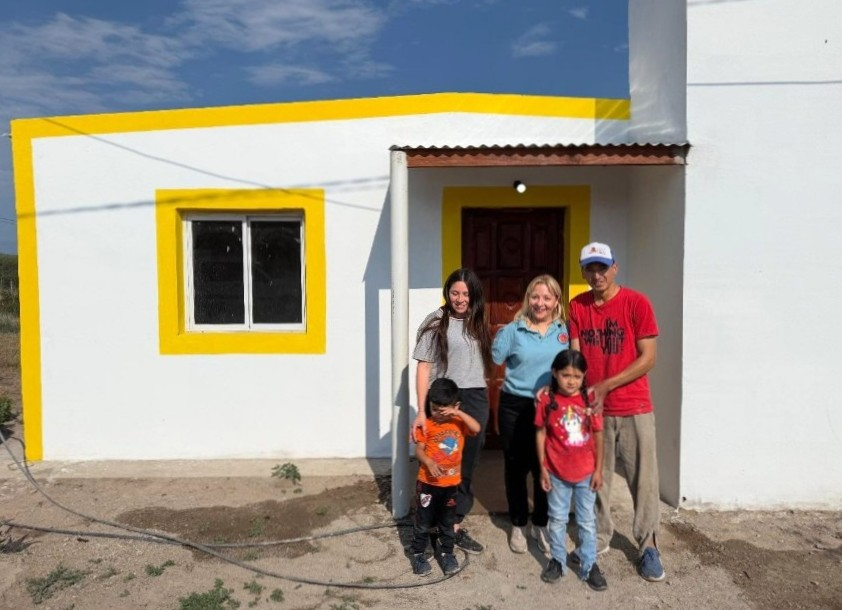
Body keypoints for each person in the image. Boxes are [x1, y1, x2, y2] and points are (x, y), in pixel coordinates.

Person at [567, 241, 665, 582]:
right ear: (583, 272)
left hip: (634, 406)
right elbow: (575, 357)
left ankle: (648, 544)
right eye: (590, 269)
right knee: (598, 478)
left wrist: (607, 384)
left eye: (602, 267)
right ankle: (599, 536)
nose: (597, 275)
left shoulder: (637, 303)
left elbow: (648, 358)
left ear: (615, 267)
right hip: (594, 410)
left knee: (644, 479)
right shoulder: (577, 306)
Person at [413, 268, 493, 554]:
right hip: (444, 397)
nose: (460, 299)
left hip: (474, 398)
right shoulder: (435, 322)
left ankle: (454, 523)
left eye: (465, 293)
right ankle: (431, 520)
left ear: (473, 295)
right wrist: (422, 410)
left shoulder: (479, 320)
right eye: (455, 293)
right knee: (439, 456)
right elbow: (423, 366)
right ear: (447, 293)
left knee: (466, 461)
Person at [491, 274, 568, 555]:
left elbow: (570, 368)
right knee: (515, 466)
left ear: (556, 301)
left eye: (547, 297)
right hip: (514, 405)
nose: (540, 303)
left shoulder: (564, 331)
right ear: (528, 299)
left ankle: (541, 523)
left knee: (544, 466)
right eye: (535, 297)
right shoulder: (515, 329)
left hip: (550, 407)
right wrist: (503, 334)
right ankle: (519, 524)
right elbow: (496, 357)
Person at [535, 349, 607, 591]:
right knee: (557, 520)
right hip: (556, 473)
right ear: (555, 373)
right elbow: (541, 432)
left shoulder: (589, 399)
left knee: (587, 521)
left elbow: (598, 434)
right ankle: (557, 560)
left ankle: (589, 564)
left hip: (586, 474)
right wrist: (543, 467)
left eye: (577, 376)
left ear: (584, 375)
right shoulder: (547, 400)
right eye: (565, 375)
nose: (571, 381)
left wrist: (598, 470)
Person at [410, 377, 481, 577]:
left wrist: (458, 413)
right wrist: (429, 462)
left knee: (447, 523)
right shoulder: (427, 425)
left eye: (443, 411)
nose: (438, 415)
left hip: (450, 485)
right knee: (423, 522)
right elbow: (419, 450)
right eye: (434, 409)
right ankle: (418, 554)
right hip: (428, 484)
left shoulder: (459, 423)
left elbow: (476, 428)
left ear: (455, 406)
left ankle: (447, 554)